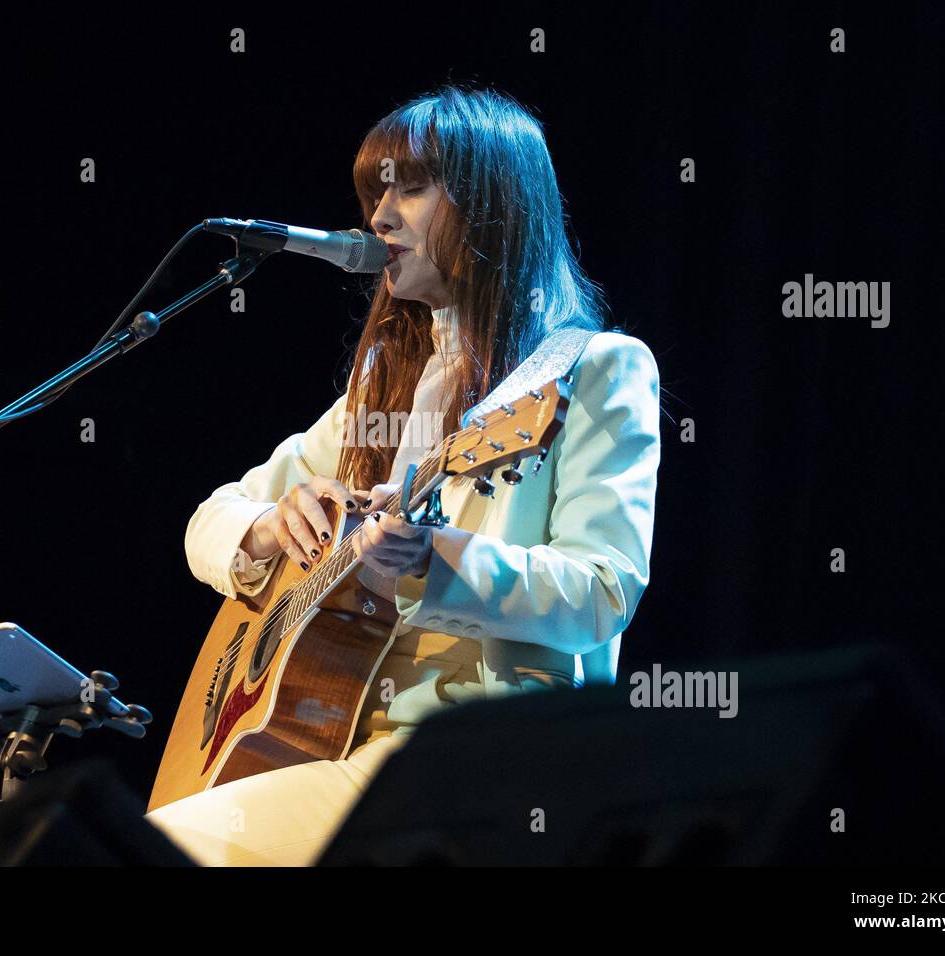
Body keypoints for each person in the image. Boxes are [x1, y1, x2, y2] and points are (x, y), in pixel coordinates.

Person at [146, 86, 661, 865]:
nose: (379, 217)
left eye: (411, 187)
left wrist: (434, 565)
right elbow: (207, 521)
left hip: (480, 757)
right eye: (375, 191)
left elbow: (604, 589)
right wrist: (270, 522)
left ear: (494, 206)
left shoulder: (595, 370)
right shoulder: (384, 387)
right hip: (342, 742)